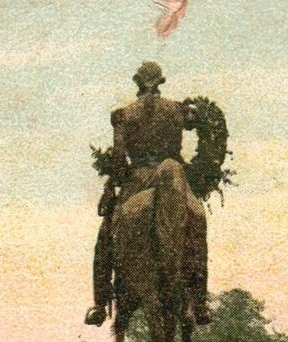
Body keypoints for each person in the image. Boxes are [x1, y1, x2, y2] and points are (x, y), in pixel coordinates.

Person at [85, 60, 211, 328]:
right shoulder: (177, 110)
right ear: (161, 82)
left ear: (137, 84)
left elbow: (119, 158)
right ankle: (199, 301)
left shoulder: (124, 115)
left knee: (107, 233)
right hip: (174, 180)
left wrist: (115, 182)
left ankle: (99, 303)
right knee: (197, 220)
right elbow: (203, 125)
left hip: (138, 180)